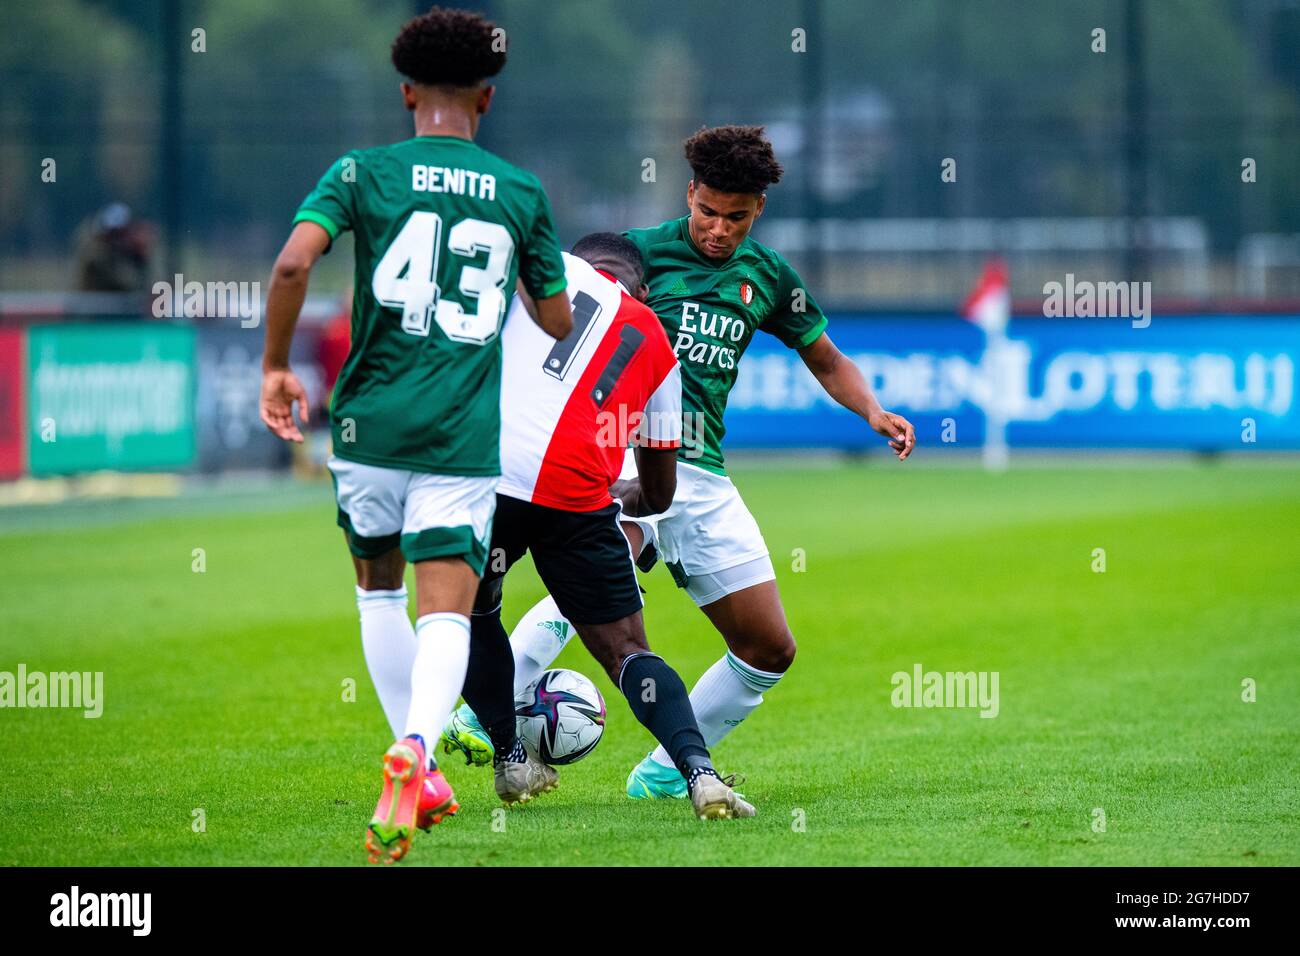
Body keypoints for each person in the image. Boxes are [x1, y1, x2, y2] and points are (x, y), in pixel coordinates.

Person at [446, 125, 916, 800]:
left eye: (736, 218)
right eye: (707, 211)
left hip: (699, 470)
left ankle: (664, 773)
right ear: (689, 192)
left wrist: (871, 411)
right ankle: (483, 713)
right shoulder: (633, 255)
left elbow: (826, 357)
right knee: (609, 576)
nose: (719, 230)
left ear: (758, 211)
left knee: (769, 647)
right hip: (617, 457)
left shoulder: (769, 277)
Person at [257, 7, 573, 864]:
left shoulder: (361, 170)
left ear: (405, 92)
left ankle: (411, 756)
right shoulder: (520, 191)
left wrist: (275, 368)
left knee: (376, 592)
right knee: (450, 608)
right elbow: (554, 317)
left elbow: (291, 264)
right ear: (487, 97)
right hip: (458, 437)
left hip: (366, 428)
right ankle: (418, 754)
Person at [448, 233, 754, 819]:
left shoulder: (549, 268)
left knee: (474, 610)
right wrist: (623, 493)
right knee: (627, 651)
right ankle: (701, 775)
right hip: (576, 497)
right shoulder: (657, 343)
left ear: (579, 262)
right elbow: (659, 489)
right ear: (642, 291)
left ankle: (511, 758)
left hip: (490, 473)